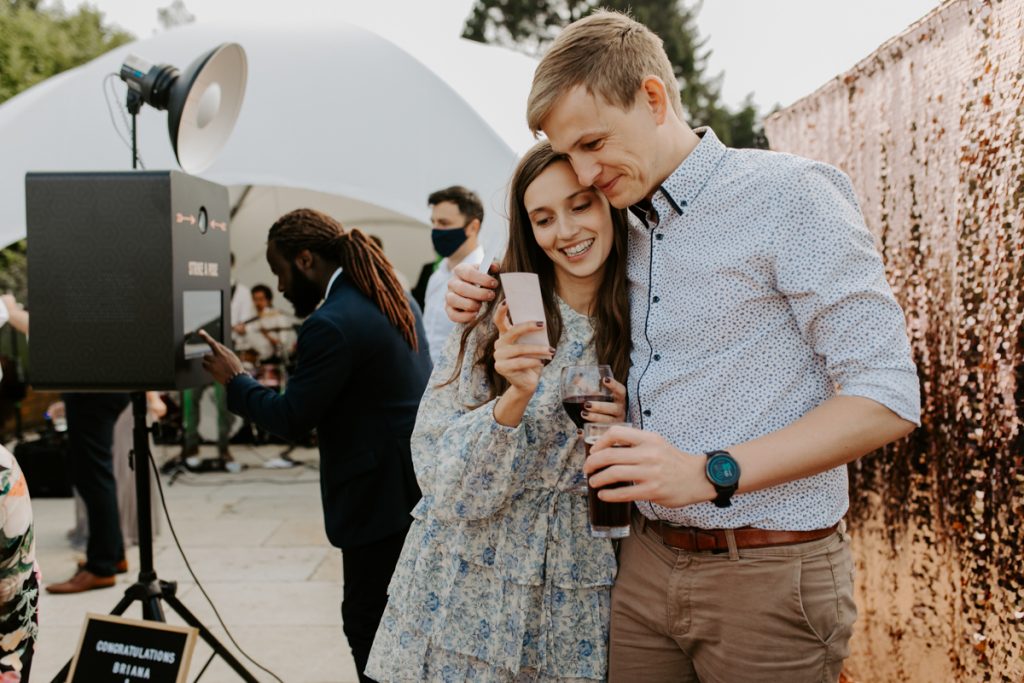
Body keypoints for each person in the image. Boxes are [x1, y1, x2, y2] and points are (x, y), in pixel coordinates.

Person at [445, 11, 920, 682]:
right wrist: (475, 286)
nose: (582, 172)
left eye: (592, 142)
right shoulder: (622, 214)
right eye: (569, 152)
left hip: (768, 572)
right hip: (641, 566)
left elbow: (887, 396)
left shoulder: (791, 196)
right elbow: (547, 261)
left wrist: (708, 471)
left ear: (653, 98)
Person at [366, 141, 631, 682]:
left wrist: (629, 423)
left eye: (581, 205)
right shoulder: (494, 309)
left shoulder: (649, 310)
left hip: (576, 586)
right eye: (543, 218)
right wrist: (512, 398)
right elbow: (440, 482)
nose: (566, 231)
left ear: (610, 202)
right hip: (464, 582)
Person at [199, 208, 431, 683]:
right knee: (398, 620)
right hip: (411, 485)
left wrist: (236, 380)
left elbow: (290, 418)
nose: (280, 288)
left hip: (376, 497)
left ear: (305, 260)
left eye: (279, 272)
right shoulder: (389, 293)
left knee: (367, 621)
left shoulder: (331, 322)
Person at [422, 186, 485, 366]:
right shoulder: (436, 276)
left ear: (472, 227)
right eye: (433, 222)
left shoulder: (486, 277)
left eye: (444, 223)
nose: (436, 230)